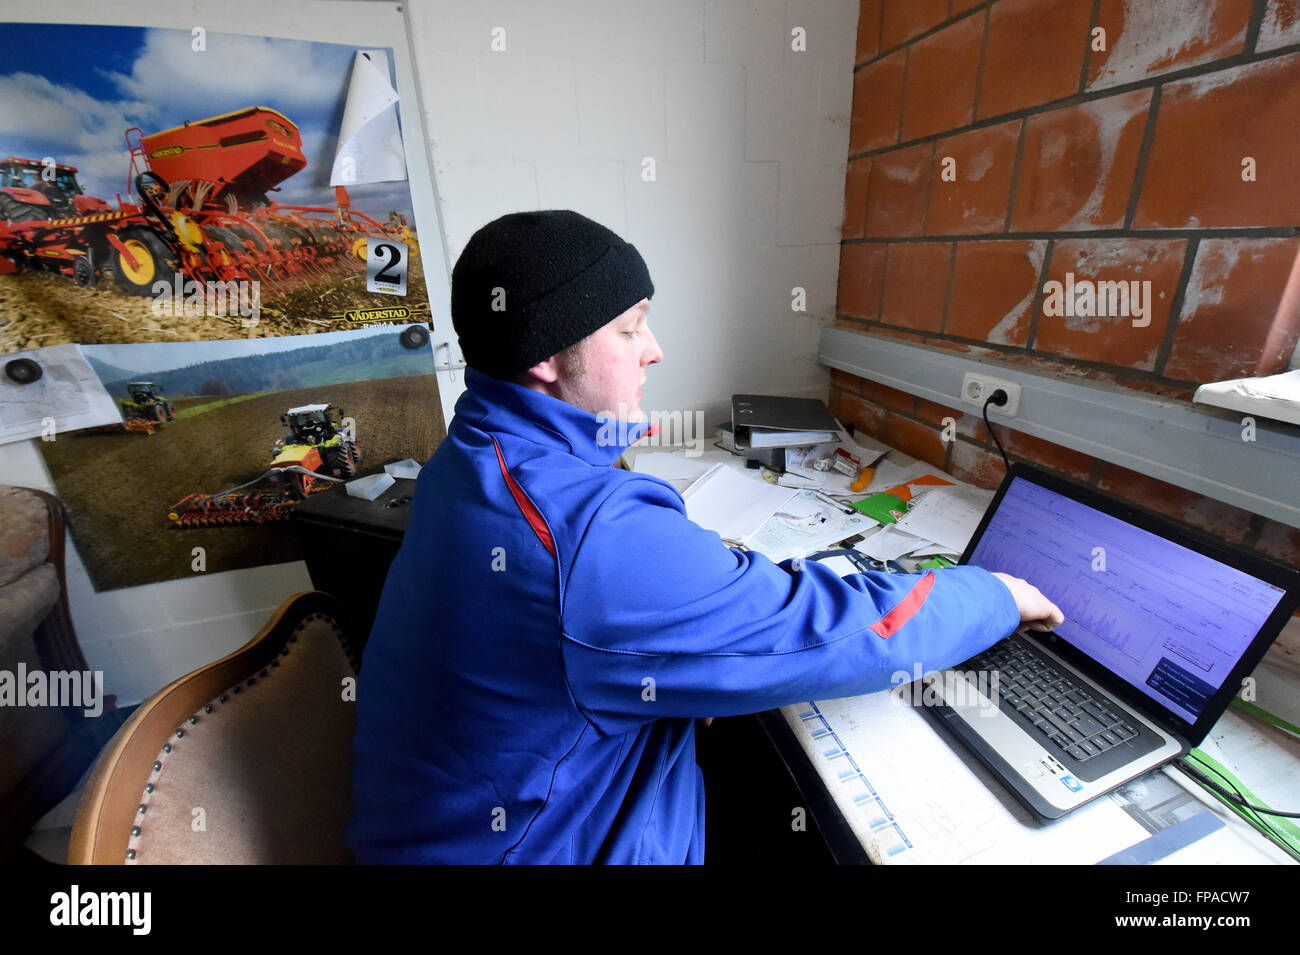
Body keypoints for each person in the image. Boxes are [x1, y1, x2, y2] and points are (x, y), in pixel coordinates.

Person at [347, 210, 1064, 864]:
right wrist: (996, 593)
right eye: (630, 327)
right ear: (545, 354)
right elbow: (838, 629)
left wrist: (695, 626)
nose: (653, 350)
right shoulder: (585, 532)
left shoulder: (472, 452)